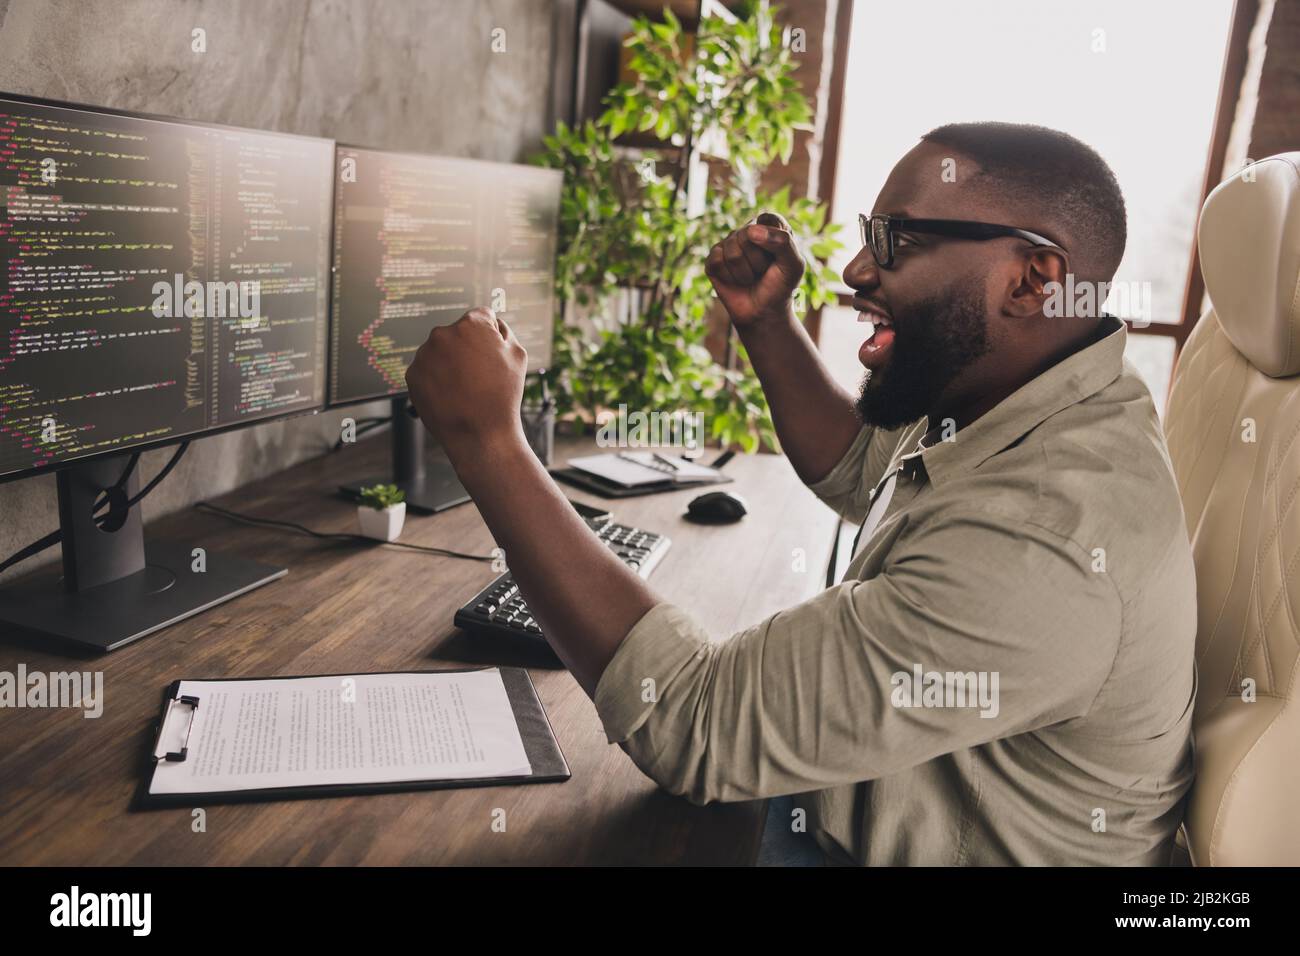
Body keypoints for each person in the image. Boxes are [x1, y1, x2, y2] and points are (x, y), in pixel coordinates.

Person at [404, 122, 1197, 866]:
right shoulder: (1036, 398)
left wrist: (490, 445)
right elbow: (864, 468)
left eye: (897, 241)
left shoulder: (1047, 538)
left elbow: (695, 724)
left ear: (1032, 280)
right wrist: (767, 321)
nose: (856, 270)